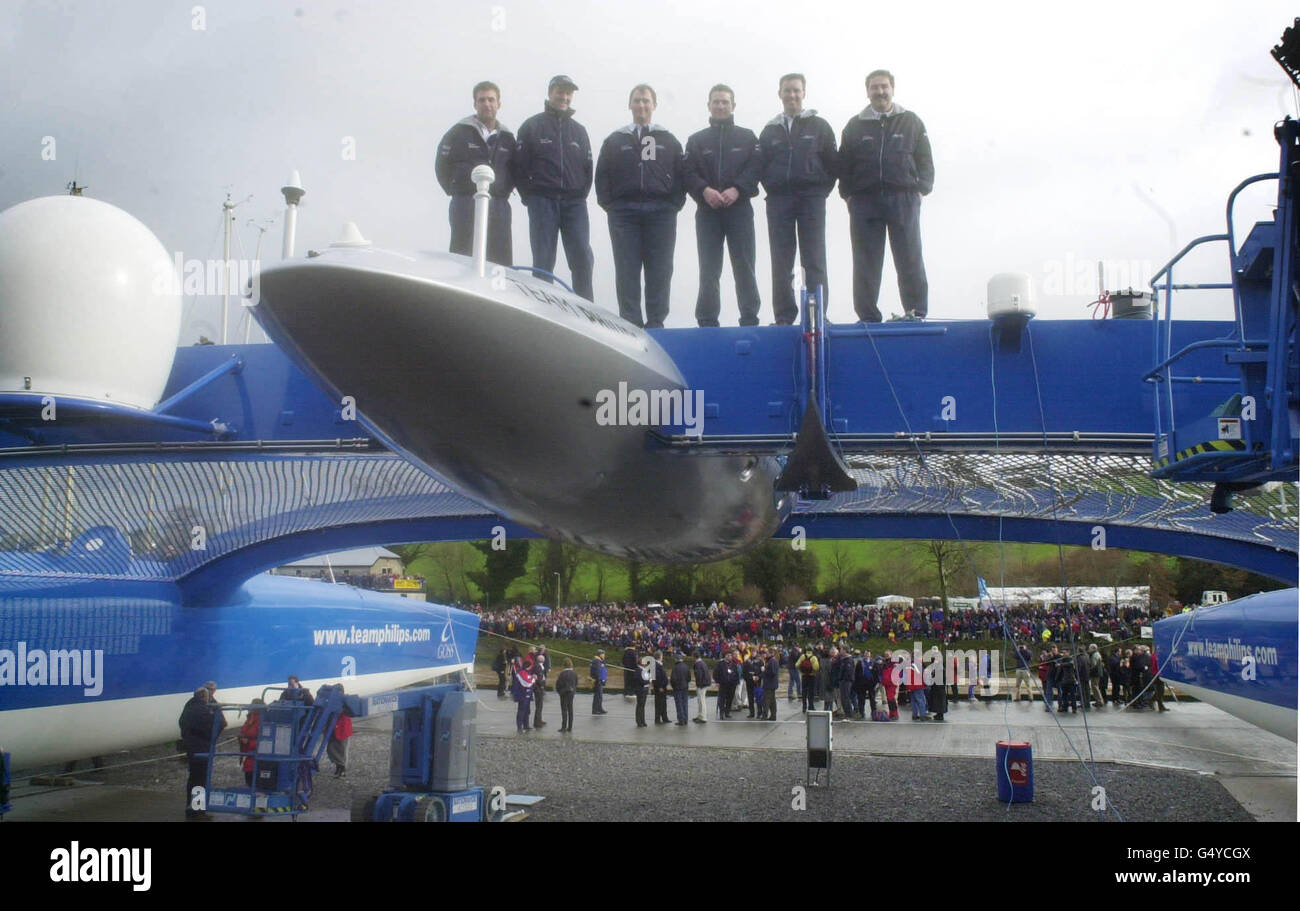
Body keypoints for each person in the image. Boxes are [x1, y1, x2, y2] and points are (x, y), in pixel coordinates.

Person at [840, 69, 933, 322]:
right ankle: (868, 316)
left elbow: (925, 159)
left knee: (909, 257)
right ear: (867, 91)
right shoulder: (854, 125)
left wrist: (921, 189)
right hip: (864, 201)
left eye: (884, 86)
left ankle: (916, 312)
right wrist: (848, 195)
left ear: (892, 88)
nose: (880, 92)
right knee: (865, 261)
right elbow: (844, 164)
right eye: (874, 87)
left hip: (902, 198)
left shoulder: (911, 121)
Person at [595, 84, 686, 328]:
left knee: (660, 269)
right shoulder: (615, 140)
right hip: (625, 214)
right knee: (627, 268)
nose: (641, 105)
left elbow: (681, 174)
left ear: (654, 105)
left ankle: (656, 322)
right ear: (630, 105)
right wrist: (612, 206)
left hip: (661, 213)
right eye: (637, 100)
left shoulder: (668, 139)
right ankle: (631, 323)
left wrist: (672, 204)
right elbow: (602, 176)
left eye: (646, 101)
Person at [759, 73, 839, 324]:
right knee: (782, 260)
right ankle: (784, 316)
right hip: (779, 200)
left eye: (796, 90)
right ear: (779, 94)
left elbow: (832, 164)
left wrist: (819, 190)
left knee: (814, 257)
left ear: (804, 93)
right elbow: (760, 166)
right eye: (787, 90)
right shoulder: (770, 130)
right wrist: (773, 186)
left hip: (812, 199)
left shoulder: (820, 126)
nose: (791, 95)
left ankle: (817, 316)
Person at [682, 84, 763, 327]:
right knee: (708, 268)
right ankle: (707, 319)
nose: (720, 106)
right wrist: (703, 190)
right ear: (709, 105)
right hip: (708, 211)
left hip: (739, 209)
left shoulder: (748, 137)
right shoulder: (696, 140)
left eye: (725, 102)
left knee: (744, 265)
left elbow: (756, 167)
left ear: (733, 106)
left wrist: (737, 188)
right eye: (716, 102)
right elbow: (687, 171)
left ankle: (749, 317)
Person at [513, 75, 595, 300]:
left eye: (569, 93)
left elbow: (588, 169)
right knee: (543, 259)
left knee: (582, 256)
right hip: (542, 201)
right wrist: (530, 197)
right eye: (560, 91)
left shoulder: (580, 131)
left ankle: (587, 307)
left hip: (574, 203)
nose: (564, 97)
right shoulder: (531, 126)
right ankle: (543, 306)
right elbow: (519, 167)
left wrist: (578, 193)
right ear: (550, 93)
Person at [435, 80, 516, 266]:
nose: (487, 104)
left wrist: (502, 189)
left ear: (498, 104)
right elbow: (441, 165)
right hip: (465, 203)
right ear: (475, 104)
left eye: (491, 100)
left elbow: (516, 169)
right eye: (482, 100)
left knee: (499, 260)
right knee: (462, 255)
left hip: (499, 205)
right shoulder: (457, 133)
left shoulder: (508, 138)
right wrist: (456, 188)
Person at [179, 686, 225, 819]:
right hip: (202, 748)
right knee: (200, 780)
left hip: (191, 748)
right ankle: (198, 811)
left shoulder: (188, 708)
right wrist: (212, 738)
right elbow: (221, 723)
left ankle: (190, 808)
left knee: (193, 779)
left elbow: (181, 723)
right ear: (204, 697)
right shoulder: (203, 710)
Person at [237, 698, 263, 788]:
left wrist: (249, 742)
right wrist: (242, 738)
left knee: (252, 779)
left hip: (257, 755)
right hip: (250, 754)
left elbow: (265, 740)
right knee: (250, 779)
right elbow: (243, 731)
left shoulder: (261, 720)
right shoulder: (250, 718)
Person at [328, 691, 353, 778]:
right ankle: (339, 767)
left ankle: (341, 769)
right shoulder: (338, 701)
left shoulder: (345, 702)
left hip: (342, 729)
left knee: (341, 749)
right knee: (333, 749)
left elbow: (350, 712)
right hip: (336, 729)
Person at [511, 657, 536, 732]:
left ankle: (526, 725)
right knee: (521, 710)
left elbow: (528, 679)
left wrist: (532, 678)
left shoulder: (526, 672)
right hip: (522, 694)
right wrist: (533, 679)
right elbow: (526, 683)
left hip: (527, 694)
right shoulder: (521, 672)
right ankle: (519, 726)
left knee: (527, 710)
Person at [556, 657, 578, 732]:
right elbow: (576, 683)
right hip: (571, 693)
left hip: (563, 693)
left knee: (564, 710)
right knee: (570, 709)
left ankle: (563, 727)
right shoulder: (574, 673)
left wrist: (559, 692)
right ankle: (570, 727)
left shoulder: (562, 673)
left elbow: (558, 684)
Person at [531, 645, 550, 727]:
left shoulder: (541, 667)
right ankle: (537, 722)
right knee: (538, 706)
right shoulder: (538, 667)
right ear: (542, 661)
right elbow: (539, 679)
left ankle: (539, 720)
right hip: (538, 689)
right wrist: (542, 686)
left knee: (540, 706)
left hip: (540, 688)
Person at [670, 652, 692, 725]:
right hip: (685, 687)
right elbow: (689, 677)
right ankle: (685, 719)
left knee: (679, 704)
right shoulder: (686, 666)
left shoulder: (675, 668)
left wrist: (673, 686)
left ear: (676, 659)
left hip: (677, 688)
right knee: (685, 704)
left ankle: (681, 720)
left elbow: (673, 679)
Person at [797, 645, 819, 714]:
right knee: (811, 692)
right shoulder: (814, 657)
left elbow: (797, 665)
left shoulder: (802, 656)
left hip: (804, 676)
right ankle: (811, 706)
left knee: (804, 692)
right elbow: (816, 668)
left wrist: (801, 670)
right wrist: (813, 672)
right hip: (811, 676)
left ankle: (804, 707)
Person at [760, 647, 780, 721]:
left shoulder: (772, 661)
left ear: (771, 653)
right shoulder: (772, 660)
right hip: (771, 683)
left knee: (766, 700)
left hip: (770, 684)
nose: (766, 654)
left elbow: (772, 672)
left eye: (767, 653)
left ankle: (765, 715)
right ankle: (773, 715)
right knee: (772, 700)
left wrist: (764, 670)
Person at [652, 650, 671, 724]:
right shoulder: (656, 665)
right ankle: (657, 719)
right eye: (662, 656)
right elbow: (656, 678)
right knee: (659, 703)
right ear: (659, 657)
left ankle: (664, 717)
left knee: (663, 703)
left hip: (663, 687)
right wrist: (660, 686)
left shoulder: (659, 664)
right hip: (659, 688)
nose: (662, 657)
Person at [692, 651, 711, 723]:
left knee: (701, 701)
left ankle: (703, 717)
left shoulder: (698, 664)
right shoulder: (702, 663)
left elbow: (699, 675)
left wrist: (698, 685)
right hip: (704, 683)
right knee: (700, 700)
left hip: (702, 685)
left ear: (694, 656)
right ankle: (700, 715)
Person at [635, 654, 653, 727]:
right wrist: (649, 681)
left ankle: (643, 720)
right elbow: (641, 681)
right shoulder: (638, 670)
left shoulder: (643, 670)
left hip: (645, 689)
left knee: (642, 706)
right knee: (640, 706)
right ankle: (639, 721)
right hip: (641, 689)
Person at [590, 648, 609, 714]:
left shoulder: (600, 661)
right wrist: (599, 680)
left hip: (601, 680)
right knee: (597, 696)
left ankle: (599, 708)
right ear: (600, 654)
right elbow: (597, 672)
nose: (604, 655)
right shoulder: (596, 661)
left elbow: (603, 667)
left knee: (600, 696)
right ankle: (595, 710)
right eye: (603, 654)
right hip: (598, 681)